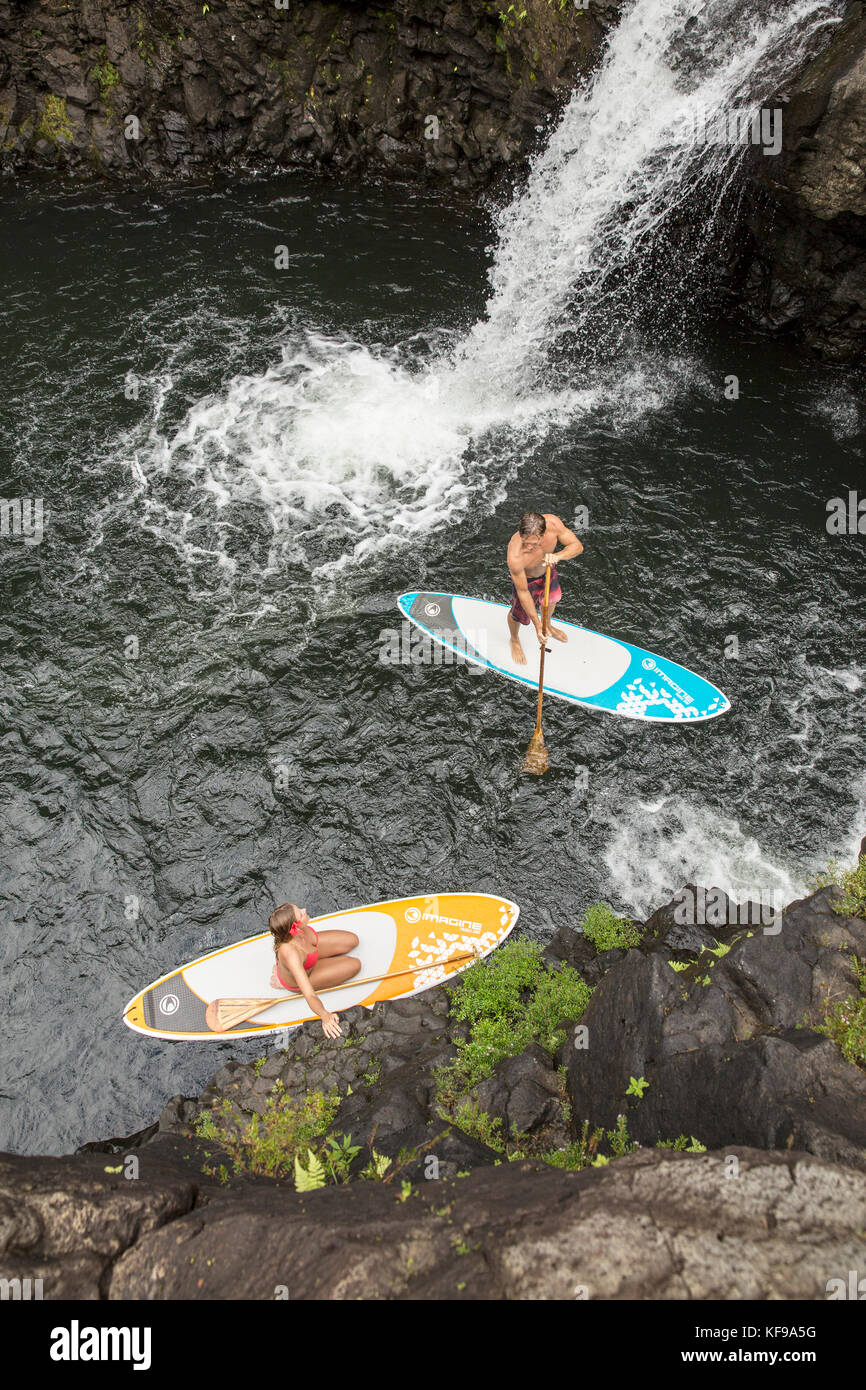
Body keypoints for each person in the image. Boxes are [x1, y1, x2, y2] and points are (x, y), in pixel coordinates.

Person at [268, 901, 360, 1039]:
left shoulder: (298, 931)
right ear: (295, 926)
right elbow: (310, 995)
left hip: (309, 952)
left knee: (353, 940)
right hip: (305, 973)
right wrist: (325, 1015)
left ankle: (283, 969)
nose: (304, 909)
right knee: (355, 965)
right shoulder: (291, 954)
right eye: (300, 913)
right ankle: (283, 981)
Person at [507, 510, 584, 665]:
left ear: (543, 535)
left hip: (547, 570)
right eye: (525, 542)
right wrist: (536, 625)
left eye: (533, 543)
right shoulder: (515, 555)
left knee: (551, 600)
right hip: (527, 582)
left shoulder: (553, 524)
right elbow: (523, 592)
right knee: (518, 615)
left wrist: (558, 556)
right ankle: (514, 639)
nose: (528, 547)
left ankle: (548, 624)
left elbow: (577, 546)